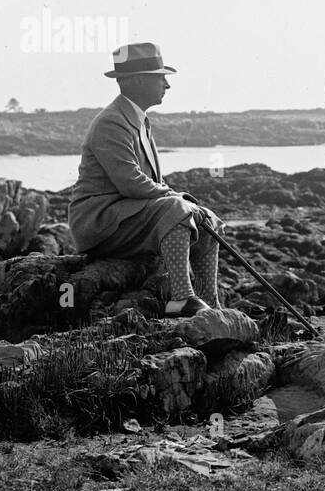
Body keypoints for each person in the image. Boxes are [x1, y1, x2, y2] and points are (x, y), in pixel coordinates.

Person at [68, 42, 224, 317]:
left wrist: (178, 200)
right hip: (101, 224)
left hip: (128, 216)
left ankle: (210, 300)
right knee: (178, 209)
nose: (167, 85)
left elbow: (145, 185)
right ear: (138, 80)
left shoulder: (138, 120)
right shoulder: (111, 122)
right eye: (160, 77)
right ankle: (182, 298)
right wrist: (174, 197)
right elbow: (131, 182)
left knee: (209, 220)